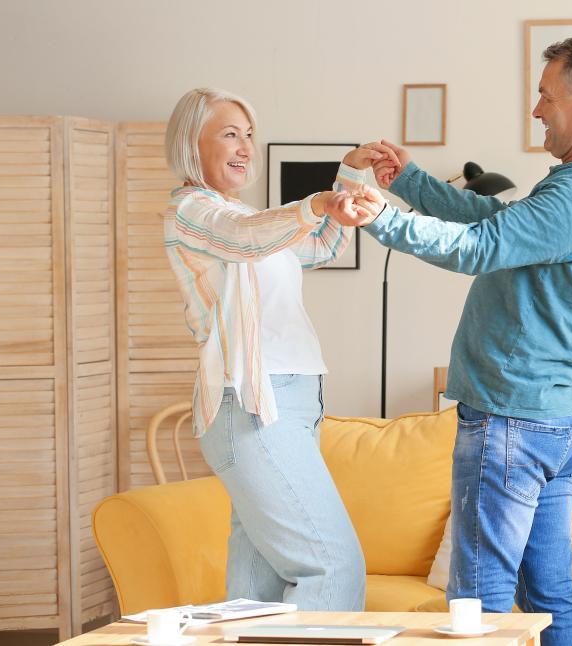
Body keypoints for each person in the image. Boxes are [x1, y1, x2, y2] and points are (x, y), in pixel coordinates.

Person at [333, 36, 572, 646]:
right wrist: (411, 183)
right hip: (557, 420)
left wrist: (383, 218)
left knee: (477, 602)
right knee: (549, 597)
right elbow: (492, 222)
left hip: (512, 422)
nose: (535, 112)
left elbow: (479, 248)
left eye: (543, 97)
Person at [162, 87, 381, 610]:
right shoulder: (193, 212)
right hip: (252, 407)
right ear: (193, 142)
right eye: (230, 134)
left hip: (292, 405)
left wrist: (347, 179)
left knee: (257, 596)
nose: (245, 147)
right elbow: (245, 237)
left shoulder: (246, 216)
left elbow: (320, 244)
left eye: (250, 135)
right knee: (332, 566)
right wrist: (317, 203)